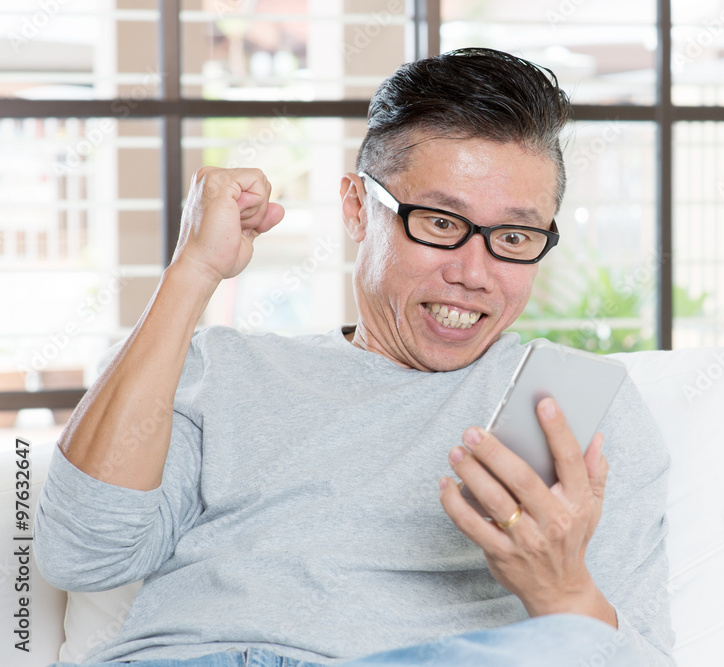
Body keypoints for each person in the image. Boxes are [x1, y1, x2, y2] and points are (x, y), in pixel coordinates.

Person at [35, 48, 674, 667]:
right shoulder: (218, 369)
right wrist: (193, 270)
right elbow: (81, 553)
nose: (474, 274)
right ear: (357, 209)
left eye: (513, 236)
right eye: (441, 223)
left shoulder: (571, 410)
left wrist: (562, 591)